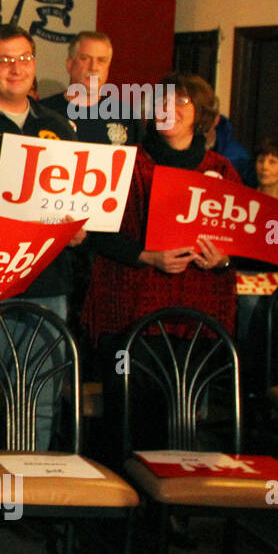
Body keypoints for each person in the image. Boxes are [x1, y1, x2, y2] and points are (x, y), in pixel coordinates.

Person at [82, 75, 238, 457]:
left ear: (200, 115)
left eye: (182, 103)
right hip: (130, 310)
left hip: (194, 318)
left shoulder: (222, 169)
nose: (170, 110)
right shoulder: (126, 164)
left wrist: (224, 258)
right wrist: (147, 256)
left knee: (181, 421)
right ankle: (127, 504)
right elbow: (99, 234)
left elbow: (240, 238)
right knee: (129, 420)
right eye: (162, 103)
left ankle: (172, 509)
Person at [0, 24, 83, 452]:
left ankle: (24, 502)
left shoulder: (60, 126)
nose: (17, 69)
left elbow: (80, 201)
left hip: (48, 282)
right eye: (5, 60)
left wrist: (76, 229)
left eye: (25, 58)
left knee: (39, 398)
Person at [38, 30, 140, 146]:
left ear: (108, 67)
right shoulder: (42, 112)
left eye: (101, 60)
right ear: (69, 64)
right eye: (85, 58)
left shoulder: (125, 116)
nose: (93, 67)